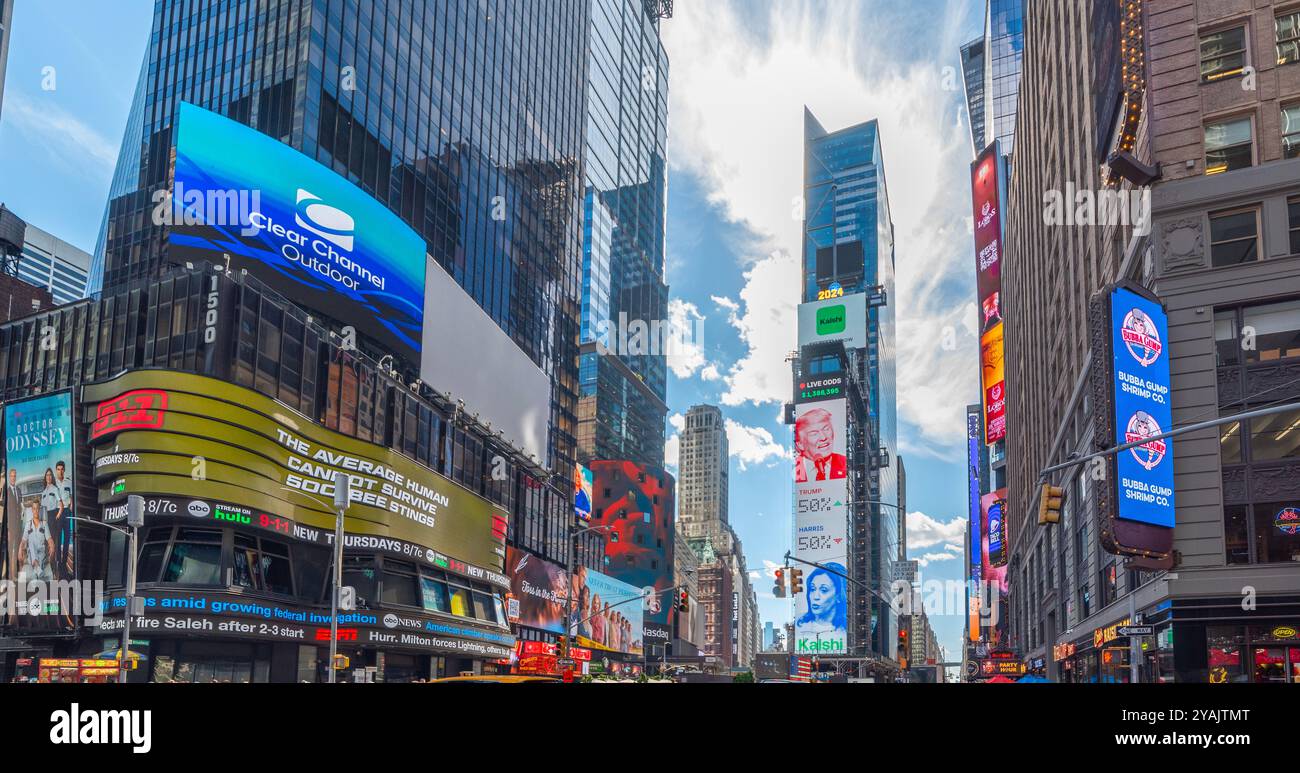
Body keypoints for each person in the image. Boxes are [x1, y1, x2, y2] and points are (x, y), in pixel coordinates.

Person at [796, 563, 848, 640]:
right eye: (812, 589)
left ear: (839, 596)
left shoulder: (846, 628)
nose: (815, 597)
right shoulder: (800, 623)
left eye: (824, 590)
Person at [794, 408, 847, 482]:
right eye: (814, 433)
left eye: (826, 429)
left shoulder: (845, 463)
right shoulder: (792, 469)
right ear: (800, 444)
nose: (823, 437)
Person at [17, 501, 55, 584]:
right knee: (30, 544)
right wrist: (20, 549)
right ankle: (37, 568)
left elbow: (49, 539)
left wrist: (52, 546)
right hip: (30, 552)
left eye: (37, 508)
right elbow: (23, 540)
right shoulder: (28, 525)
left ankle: (36, 569)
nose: (36, 511)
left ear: (39, 509)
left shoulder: (44, 524)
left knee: (39, 556)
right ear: (32, 510)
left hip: (41, 552)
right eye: (34, 509)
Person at [53, 461, 73, 578]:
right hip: (57, 512)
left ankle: (64, 563)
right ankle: (58, 564)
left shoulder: (68, 483)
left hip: (66, 511)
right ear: (56, 470)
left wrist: (71, 507)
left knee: (66, 539)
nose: (60, 471)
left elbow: (71, 496)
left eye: (62, 469)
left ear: (64, 470)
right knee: (57, 539)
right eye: (58, 469)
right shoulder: (53, 484)